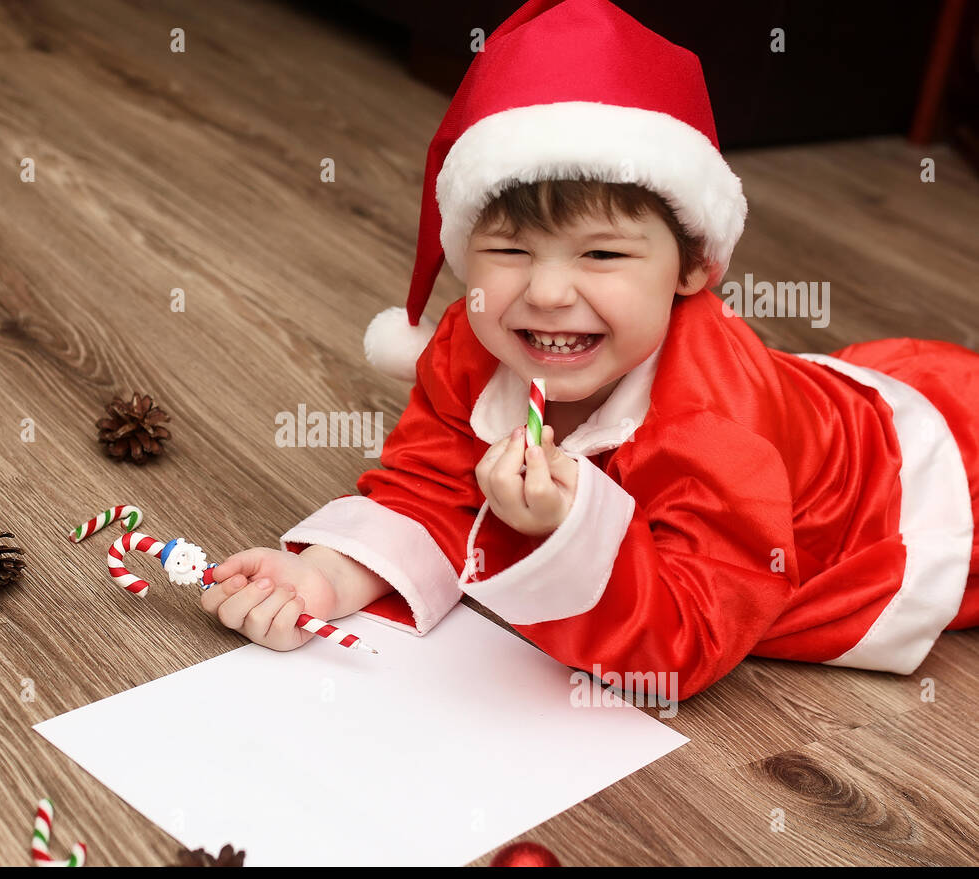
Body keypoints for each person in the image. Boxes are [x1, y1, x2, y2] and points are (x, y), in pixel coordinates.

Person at [199, 0, 979, 701]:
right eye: (508, 251)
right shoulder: (469, 350)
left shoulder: (714, 423)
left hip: (918, 492)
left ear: (696, 269)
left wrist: (572, 529)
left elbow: (684, 645)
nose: (545, 294)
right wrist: (324, 577)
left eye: (602, 257)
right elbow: (429, 488)